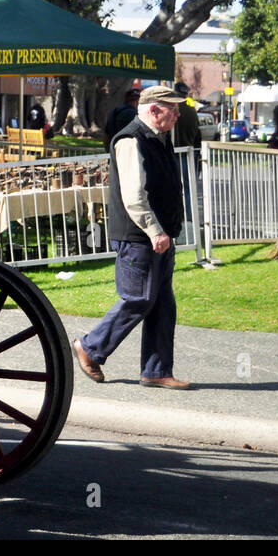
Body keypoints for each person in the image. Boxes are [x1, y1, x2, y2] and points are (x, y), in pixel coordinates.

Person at [74, 84, 191, 389]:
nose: (178, 114)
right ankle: (90, 347)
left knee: (163, 304)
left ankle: (156, 371)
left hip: (158, 236)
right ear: (154, 110)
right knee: (138, 298)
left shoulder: (158, 137)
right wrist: (155, 231)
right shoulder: (130, 139)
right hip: (139, 237)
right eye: (173, 109)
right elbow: (134, 196)